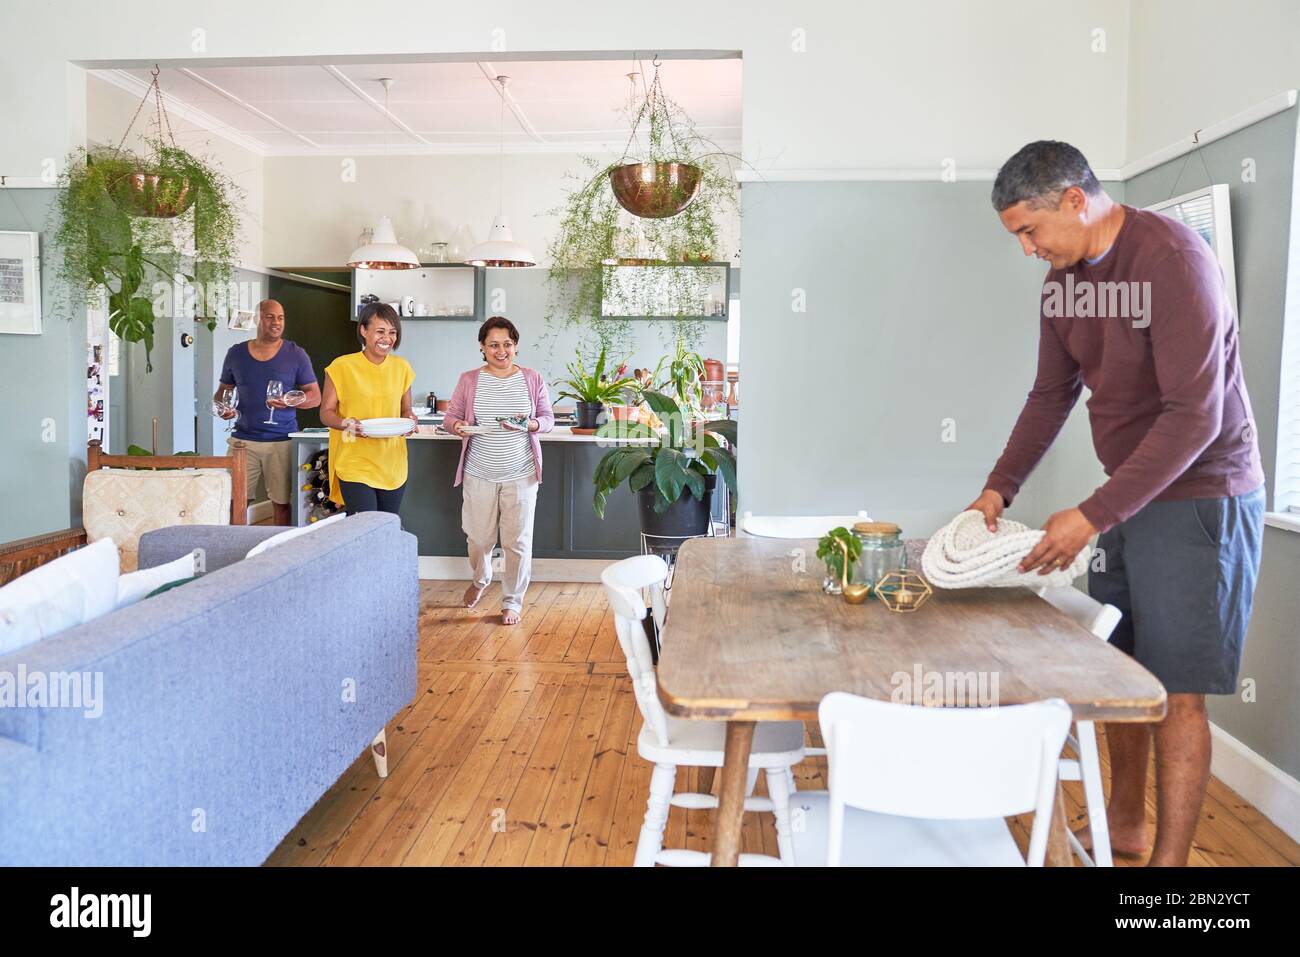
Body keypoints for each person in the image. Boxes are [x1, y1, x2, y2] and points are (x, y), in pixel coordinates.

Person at [969, 141, 1265, 867]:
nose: (1027, 249)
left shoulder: (1174, 260)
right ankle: (1125, 828)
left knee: (1176, 693)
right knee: (1119, 673)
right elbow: (1050, 394)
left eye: (1030, 230)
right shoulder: (1064, 284)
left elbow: (1194, 417)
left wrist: (1094, 514)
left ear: (1075, 199)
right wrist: (998, 487)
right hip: (1129, 492)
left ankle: (1167, 874)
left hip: (1202, 495)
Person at [444, 316, 554, 626]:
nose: (501, 350)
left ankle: (512, 602)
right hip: (479, 472)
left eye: (507, 344)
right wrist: (458, 426)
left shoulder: (532, 378)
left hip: (521, 473)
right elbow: (450, 418)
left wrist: (531, 424)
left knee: (517, 542)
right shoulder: (469, 379)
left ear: (515, 346)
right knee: (479, 539)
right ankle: (481, 578)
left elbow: (547, 418)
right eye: (493, 345)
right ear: (482, 347)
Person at [215, 298, 321, 526]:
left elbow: (315, 396)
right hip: (242, 441)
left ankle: (279, 547)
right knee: (235, 503)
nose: (276, 322)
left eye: (280, 318)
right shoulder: (236, 353)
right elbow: (222, 392)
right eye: (270, 317)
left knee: (281, 504)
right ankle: (237, 545)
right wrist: (223, 408)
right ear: (257, 319)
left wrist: (291, 401)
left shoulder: (296, 354)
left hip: (281, 441)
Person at [318, 303, 419, 516]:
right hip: (354, 459)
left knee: (387, 525)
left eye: (392, 332)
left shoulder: (402, 368)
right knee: (364, 525)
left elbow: (406, 410)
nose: (387, 338)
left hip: (392, 462)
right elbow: (326, 413)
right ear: (363, 330)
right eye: (380, 331)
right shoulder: (341, 366)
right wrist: (345, 423)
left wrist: (410, 420)